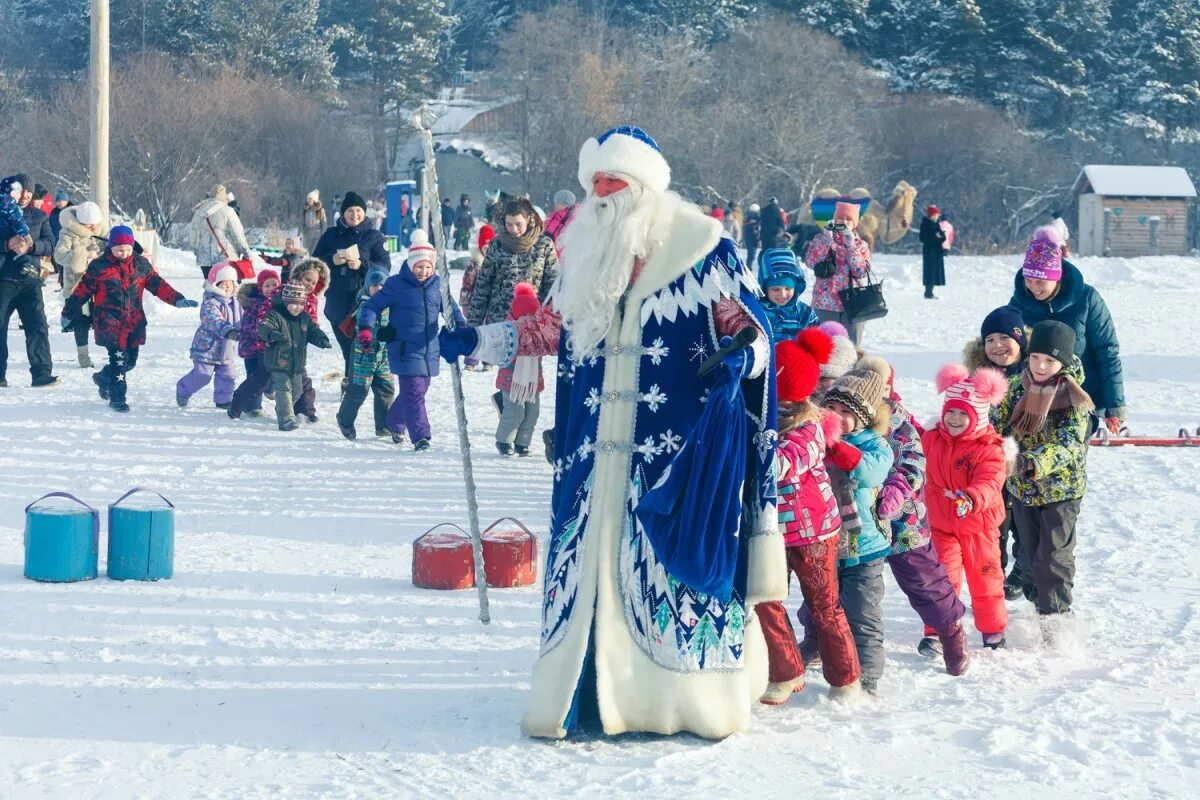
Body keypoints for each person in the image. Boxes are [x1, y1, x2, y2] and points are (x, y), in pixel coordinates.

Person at [438, 125, 782, 739]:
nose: (602, 199)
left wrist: (742, 355)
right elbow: (550, 328)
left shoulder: (704, 249)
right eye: (594, 189)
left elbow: (756, 330)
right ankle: (583, 695)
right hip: (591, 458)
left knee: (670, 573)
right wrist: (483, 339)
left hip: (674, 460)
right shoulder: (583, 254)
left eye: (614, 187)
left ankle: (683, 698)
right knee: (588, 566)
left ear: (645, 188)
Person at [758, 327, 863, 704]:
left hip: (814, 532)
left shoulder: (809, 426)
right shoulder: (761, 416)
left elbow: (781, 465)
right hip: (770, 532)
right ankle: (785, 672)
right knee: (765, 599)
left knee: (824, 606)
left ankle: (846, 678)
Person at [850, 353, 971, 676]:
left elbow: (912, 459)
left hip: (903, 519)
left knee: (925, 581)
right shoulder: (839, 415)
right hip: (856, 520)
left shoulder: (895, 417)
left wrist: (896, 491)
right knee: (839, 584)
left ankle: (949, 631)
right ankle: (821, 638)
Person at [995, 321, 1092, 641]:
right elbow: (999, 426)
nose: (1040, 366)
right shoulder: (1017, 387)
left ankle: (1056, 621)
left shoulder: (1074, 398)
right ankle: (1041, 607)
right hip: (1022, 491)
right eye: (1035, 358)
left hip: (1060, 492)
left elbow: (1068, 445)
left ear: (1063, 362)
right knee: (1028, 559)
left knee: (1053, 559)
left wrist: (1031, 462)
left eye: (1049, 361)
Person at [814, 367, 895, 695]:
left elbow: (869, 473)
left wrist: (840, 448)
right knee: (825, 614)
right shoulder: (814, 439)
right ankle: (841, 673)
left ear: (864, 418)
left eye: (847, 412)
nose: (837, 417)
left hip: (864, 548)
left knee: (863, 616)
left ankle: (869, 678)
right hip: (825, 543)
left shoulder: (877, 446)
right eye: (831, 409)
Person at [923, 364, 1011, 651]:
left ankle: (993, 630)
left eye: (964, 414)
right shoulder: (932, 439)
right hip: (940, 524)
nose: (955, 419)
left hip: (979, 526)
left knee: (985, 580)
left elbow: (990, 481)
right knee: (940, 580)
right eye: (951, 411)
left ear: (979, 417)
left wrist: (972, 498)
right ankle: (938, 631)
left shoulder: (989, 448)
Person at [62, 226, 195, 412]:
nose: (124, 253)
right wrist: (68, 313)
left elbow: (158, 285)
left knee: (130, 362)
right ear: (110, 247)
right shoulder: (99, 267)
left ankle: (102, 378)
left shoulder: (141, 265)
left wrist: (178, 299)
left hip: (134, 322)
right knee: (118, 362)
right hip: (109, 323)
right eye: (119, 250)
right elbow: (82, 291)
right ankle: (117, 399)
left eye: (127, 249)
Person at [1009, 225, 1124, 436]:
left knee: (1069, 462)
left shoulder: (1087, 299)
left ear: (1056, 276)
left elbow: (1107, 351)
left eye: (1041, 281)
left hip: (1079, 398)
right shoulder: (1019, 302)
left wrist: (1113, 404)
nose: (1034, 288)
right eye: (1029, 280)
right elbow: (1011, 353)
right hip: (1033, 401)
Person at [356, 230, 463, 452]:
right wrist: (366, 328)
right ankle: (421, 436)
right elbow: (372, 306)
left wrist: (460, 324)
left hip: (429, 348)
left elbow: (450, 307)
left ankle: (394, 422)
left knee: (418, 390)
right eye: (419, 266)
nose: (423, 271)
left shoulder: (438, 285)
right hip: (404, 347)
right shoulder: (396, 285)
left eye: (427, 267)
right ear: (410, 265)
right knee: (414, 392)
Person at [964, 306, 1031, 598]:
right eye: (990, 340)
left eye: (1005, 337)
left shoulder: (1038, 374)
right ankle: (993, 586)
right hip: (989, 472)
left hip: (1029, 469)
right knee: (994, 532)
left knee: (1028, 536)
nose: (997, 346)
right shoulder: (976, 380)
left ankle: (1022, 572)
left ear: (1020, 340)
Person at [227, 258, 327, 421]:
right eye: (307, 279)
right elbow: (264, 315)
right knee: (261, 380)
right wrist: (271, 333)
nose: (310, 284)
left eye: (314, 282)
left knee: (303, 380)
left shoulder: (312, 300)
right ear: (298, 275)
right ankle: (237, 404)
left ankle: (305, 411)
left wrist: (316, 336)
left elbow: (312, 323)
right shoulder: (281, 292)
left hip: (294, 349)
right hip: (270, 347)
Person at [313, 191, 390, 379]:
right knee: (348, 348)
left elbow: (384, 266)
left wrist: (362, 265)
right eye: (349, 211)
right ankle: (353, 383)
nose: (354, 215)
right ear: (342, 213)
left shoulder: (374, 236)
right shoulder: (331, 235)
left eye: (358, 210)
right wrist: (332, 260)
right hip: (337, 301)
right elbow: (313, 262)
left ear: (364, 212)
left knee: (360, 347)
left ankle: (353, 384)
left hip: (364, 303)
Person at [0, 176, 57, 388]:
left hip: (30, 280)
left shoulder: (40, 216)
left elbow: (51, 244)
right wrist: (7, 244)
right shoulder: (1, 211)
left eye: (29, 192)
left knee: (37, 326)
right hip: (4, 280)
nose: (25, 195)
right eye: (22, 191)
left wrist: (31, 248)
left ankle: (41, 373)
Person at [466, 197, 557, 326]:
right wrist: (472, 325)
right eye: (509, 224)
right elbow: (483, 285)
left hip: (533, 322)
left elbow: (552, 286)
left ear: (529, 219)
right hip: (499, 321)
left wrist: (550, 321)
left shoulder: (544, 245)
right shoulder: (497, 244)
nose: (514, 229)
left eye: (518, 224)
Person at [257, 282, 332, 431]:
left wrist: (321, 339)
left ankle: (284, 408)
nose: (297, 307)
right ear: (285, 302)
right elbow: (264, 326)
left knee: (297, 390)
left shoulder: (304, 317)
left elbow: (312, 330)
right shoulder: (274, 315)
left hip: (297, 363)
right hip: (278, 361)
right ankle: (286, 419)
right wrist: (272, 334)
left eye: (300, 304)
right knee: (284, 389)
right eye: (292, 304)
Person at [336, 265, 396, 441]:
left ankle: (383, 425)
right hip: (364, 355)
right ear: (367, 287)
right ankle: (345, 420)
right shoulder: (364, 304)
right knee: (359, 390)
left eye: (382, 286)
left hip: (384, 355)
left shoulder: (392, 306)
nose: (378, 290)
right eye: (374, 286)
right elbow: (362, 325)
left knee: (386, 388)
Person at [176, 263, 241, 409]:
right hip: (207, 347)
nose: (228, 287)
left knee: (228, 374)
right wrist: (228, 330)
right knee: (202, 375)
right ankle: (183, 389)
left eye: (231, 284)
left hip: (226, 348)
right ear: (215, 284)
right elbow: (213, 319)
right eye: (224, 284)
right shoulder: (210, 302)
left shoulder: (236, 303)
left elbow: (244, 318)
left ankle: (224, 400)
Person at [805, 201, 871, 345]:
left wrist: (851, 246)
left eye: (849, 219)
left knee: (851, 348)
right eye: (840, 219)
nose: (844, 222)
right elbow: (811, 262)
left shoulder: (861, 245)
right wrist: (826, 240)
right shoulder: (821, 239)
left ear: (855, 223)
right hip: (825, 303)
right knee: (823, 348)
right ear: (834, 220)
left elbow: (860, 272)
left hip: (854, 304)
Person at [54, 200, 108, 368]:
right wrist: (84, 255)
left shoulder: (101, 231)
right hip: (77, 284)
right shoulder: (68, 233)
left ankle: (115, 354)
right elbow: (59, 256)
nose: (92, 227)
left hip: (100, 284)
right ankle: (83, 357)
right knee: (82, 322)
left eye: (94, 224)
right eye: (88, 224)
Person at [494, 283, 544, 457]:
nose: (528, 320)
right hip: (511, 380)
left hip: (532, 382)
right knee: (516, 412)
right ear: (516, 315)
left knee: (532, 413)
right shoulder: (507, 332)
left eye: (532, 316)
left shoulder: (540, 331)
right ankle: (503, 440)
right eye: (525, 316)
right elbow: (500, 351)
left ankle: (522, 443)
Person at [231, 268, 280, 417]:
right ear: (260, 288)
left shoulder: (279, 303)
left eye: (274, 285)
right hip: (252, 348)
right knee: (253, 376)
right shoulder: (254, 304)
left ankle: (270, 388)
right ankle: (253, 406)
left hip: (268, 349)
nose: (271, 288)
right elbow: (251, 327)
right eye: (267, 286)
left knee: (270, 372)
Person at [188, 184, 251, 278]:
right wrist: (246, 253)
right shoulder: (228, 210)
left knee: (211, 288)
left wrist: (197, 251)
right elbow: (238, 234)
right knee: (228, 289)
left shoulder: (199, 211)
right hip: (225, 258)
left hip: (205, 261)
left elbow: (192, 233)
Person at [760, 248, 817, 342]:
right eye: (775, 289)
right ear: (765, 288)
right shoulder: (757, 310)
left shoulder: (804, 313)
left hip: (794, 356)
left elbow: (817, 343)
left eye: (788, 289)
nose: (782, 295)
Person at [919, 205, 946, 299]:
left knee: (935, 273)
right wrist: (935, 236)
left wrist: (942, 236)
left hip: (937, 252)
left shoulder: (937, 224)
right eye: (935, 215)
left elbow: (942, 238)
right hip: (929, 252)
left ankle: (930, 292)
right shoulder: (925, 224)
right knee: (929, 273)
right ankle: (928, 292)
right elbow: (923, 238)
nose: (937, 217)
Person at [743, 203, 761, 270]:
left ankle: (748, 268)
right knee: (751, 255)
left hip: (749, 238)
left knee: (750, 255)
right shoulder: (757, 219)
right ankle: (748, 268)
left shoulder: (747, 218)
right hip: (753, 238)